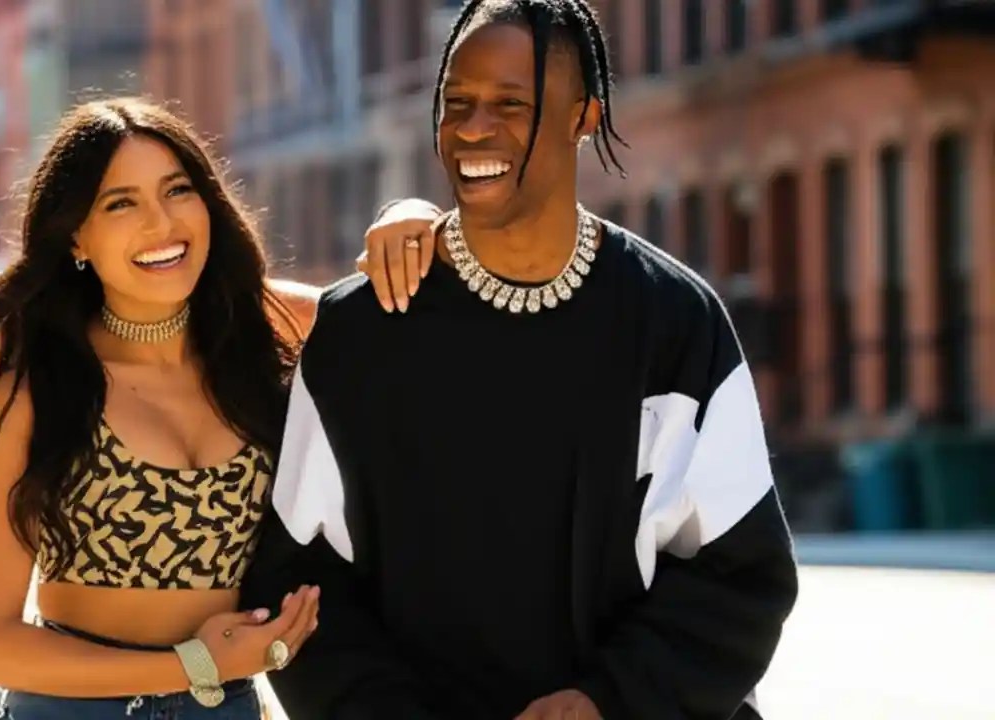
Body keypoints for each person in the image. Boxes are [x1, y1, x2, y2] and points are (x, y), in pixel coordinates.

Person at [241, 1, 801, 718]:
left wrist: (608, 700)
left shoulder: (672, 324)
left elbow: (739, 573)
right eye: (458, 102)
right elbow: (299, 577)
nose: (475, 128)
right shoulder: (364, 334)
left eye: (512, 104)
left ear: (583, 116)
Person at [0, 97, 442, 719]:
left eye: (177, 191)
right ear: (77, 235)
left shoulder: (276, 331)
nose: (161, 223)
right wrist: (192, 666)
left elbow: (419, 315)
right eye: (120, 202)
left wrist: (411, 214)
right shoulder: (35, 387)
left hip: (226, 707)